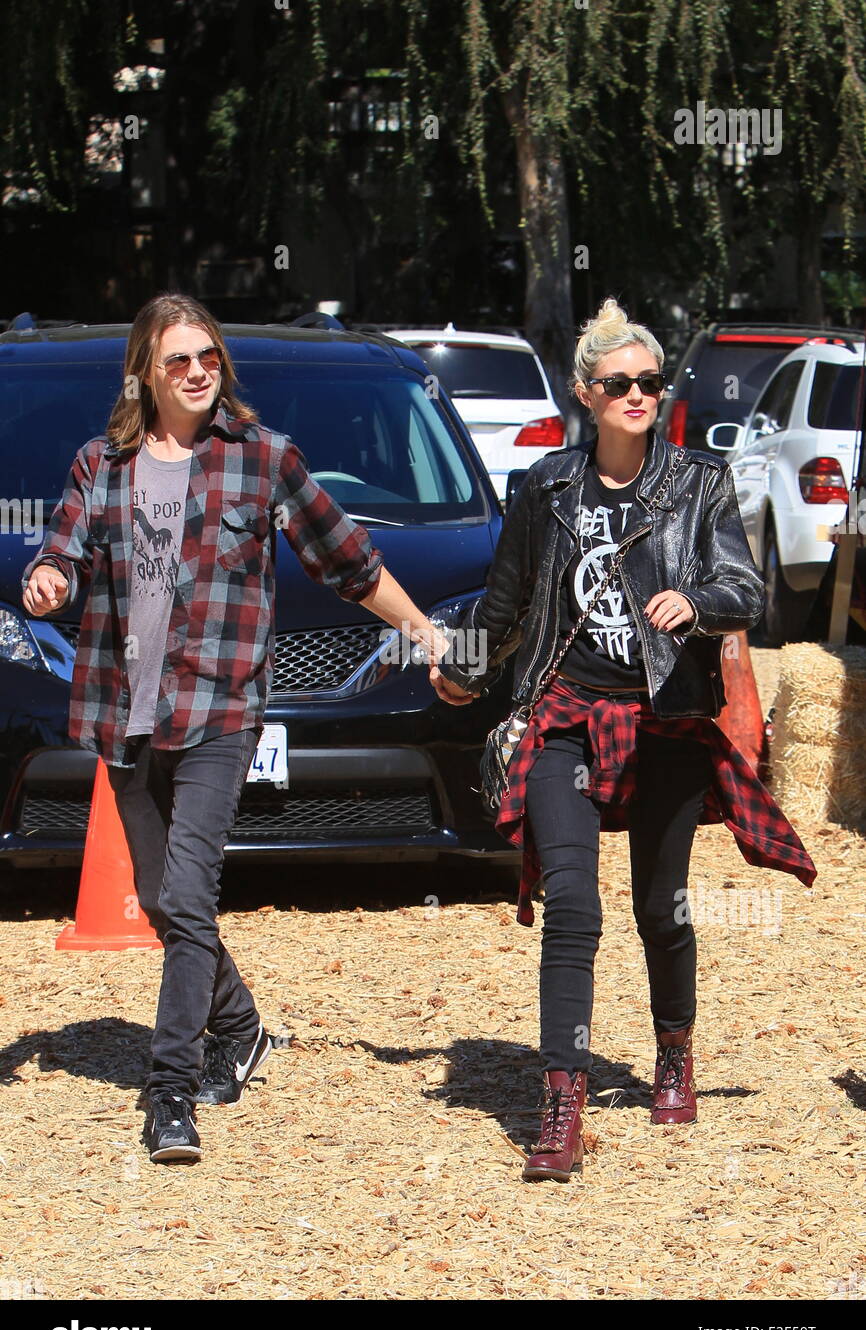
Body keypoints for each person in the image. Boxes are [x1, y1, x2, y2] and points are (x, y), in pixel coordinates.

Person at [22, 292, 445, 1164]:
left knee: (187, 896)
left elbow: (348, 562)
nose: (197, 372)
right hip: (122, 710)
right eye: (178, 360)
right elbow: (58, 551)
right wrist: (50, 583)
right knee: (159, 895)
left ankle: (169, 1091)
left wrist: (428, 633)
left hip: (218, 708)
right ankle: (241, 1024)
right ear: (145, 371)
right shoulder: (100, 465)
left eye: (208, 357)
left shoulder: (262, 459)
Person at [430, 298, 817, 1182]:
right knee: (573, 906)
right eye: (620, 384)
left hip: (667, 718)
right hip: (566, 713)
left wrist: (700, 602)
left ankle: (673, 1047)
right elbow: (505, 604)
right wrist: (465, 670)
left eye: (650, 382)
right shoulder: (546, 488)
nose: (638, 394)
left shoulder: (698, 483)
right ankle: (561, 1098)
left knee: (660, 904)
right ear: (585, 394)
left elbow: (742, 586)